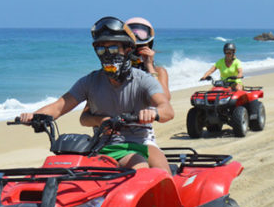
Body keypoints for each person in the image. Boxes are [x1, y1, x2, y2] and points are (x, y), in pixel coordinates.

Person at [20, 16, 174, 171]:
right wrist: (34, 116)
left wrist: (152, 113)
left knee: (153, 171)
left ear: (128, 50)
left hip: (140, 142)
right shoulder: (89, 81)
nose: (107, 54)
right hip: (102, 146)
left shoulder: (144, 79)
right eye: (101, 49)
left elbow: (167, 108)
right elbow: (59, 107)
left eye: (113, 49)